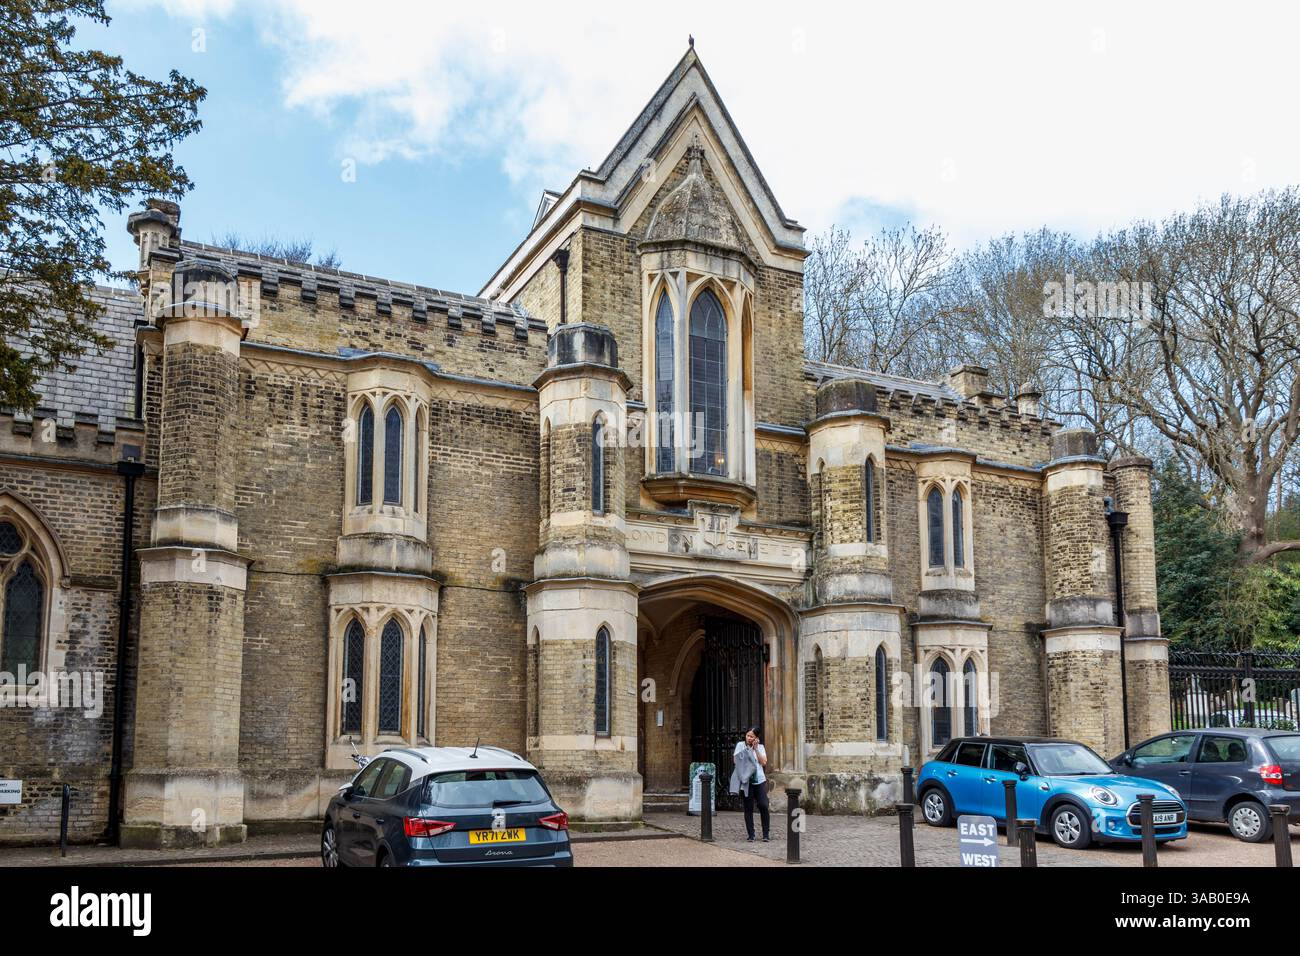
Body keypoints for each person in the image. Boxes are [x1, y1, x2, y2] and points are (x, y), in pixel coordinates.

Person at [728, 726, 769, 842]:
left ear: (756, 738)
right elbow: (736, 761)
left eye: (752, 736)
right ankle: (751, 834)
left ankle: (766, 833)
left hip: (759, 780)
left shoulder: (760, 747)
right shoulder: (740, 746)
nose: (749, 738)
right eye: (748, 735)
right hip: (746, 782)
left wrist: (755, 749)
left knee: (763, 805)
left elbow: (764, 762)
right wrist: (748, 750)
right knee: (748, 808)